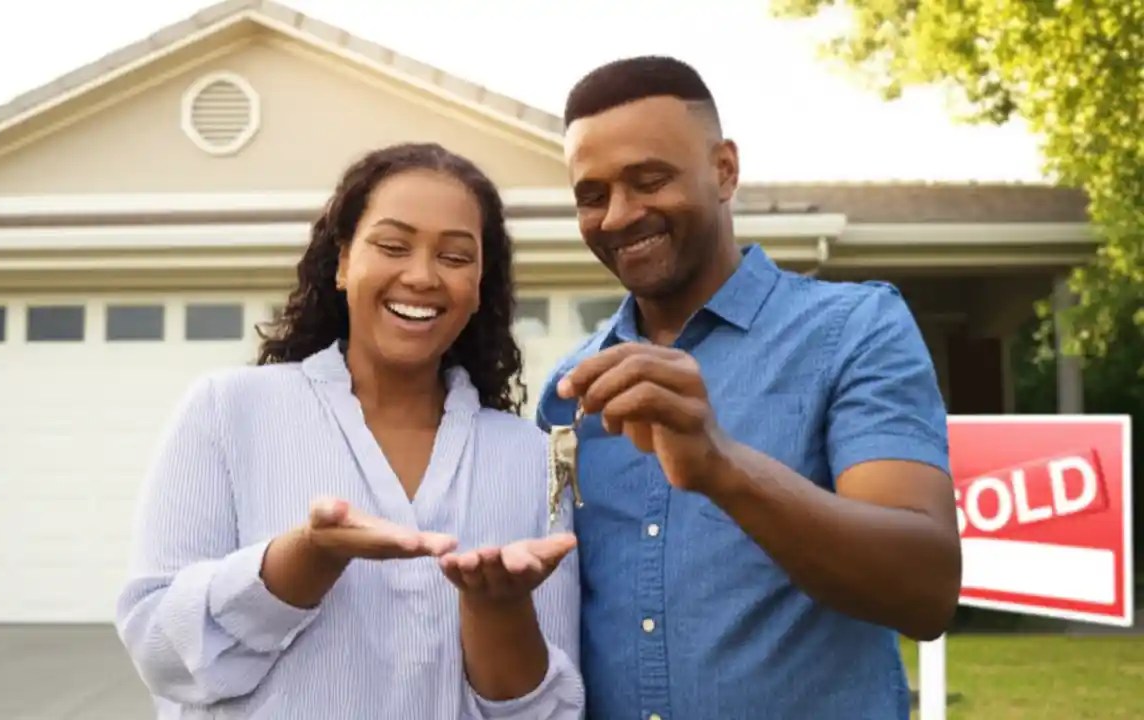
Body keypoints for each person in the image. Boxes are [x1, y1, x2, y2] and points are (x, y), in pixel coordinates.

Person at [535, 56, 963, 719]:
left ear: (724, 170)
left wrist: (720, 465)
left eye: (649, 180)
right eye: (592, 195)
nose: (619, 215)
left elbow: (925, 590)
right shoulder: (568, 393)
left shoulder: (854, 331)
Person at [116, 142, 584, 719]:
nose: (421, 275)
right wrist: (309, 556)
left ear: (480, 284)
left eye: (456, 256)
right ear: (342, 262)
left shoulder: (532, 459)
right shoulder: (227, 411)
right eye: (392, 246)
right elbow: (160, 649)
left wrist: (498, 610)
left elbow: (550, 714)